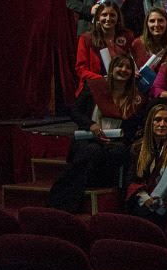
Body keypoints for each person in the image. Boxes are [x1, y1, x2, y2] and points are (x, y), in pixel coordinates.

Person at [48, 54, 148, 212]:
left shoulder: (134, 97)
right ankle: (63, 202)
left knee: (118, 150)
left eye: (128, 67)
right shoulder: (95, 87)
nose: (123, 70)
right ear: (112, 68)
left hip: (114, 142)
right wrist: (91, 125)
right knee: (91, 150)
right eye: (119, 66)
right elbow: (74, 111)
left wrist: (122, 135)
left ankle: (79, 192)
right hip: (89, 137)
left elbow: (132, 127)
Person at [75, 1, 131, 95]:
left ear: (118, 18)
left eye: (112, 15)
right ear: (98, 17)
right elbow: (81, 69)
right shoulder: (87, 39)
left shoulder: (127, 37)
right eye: (104, 15)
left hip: (121, 88)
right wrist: (102, 80)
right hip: (94, 88)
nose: (108, 19)